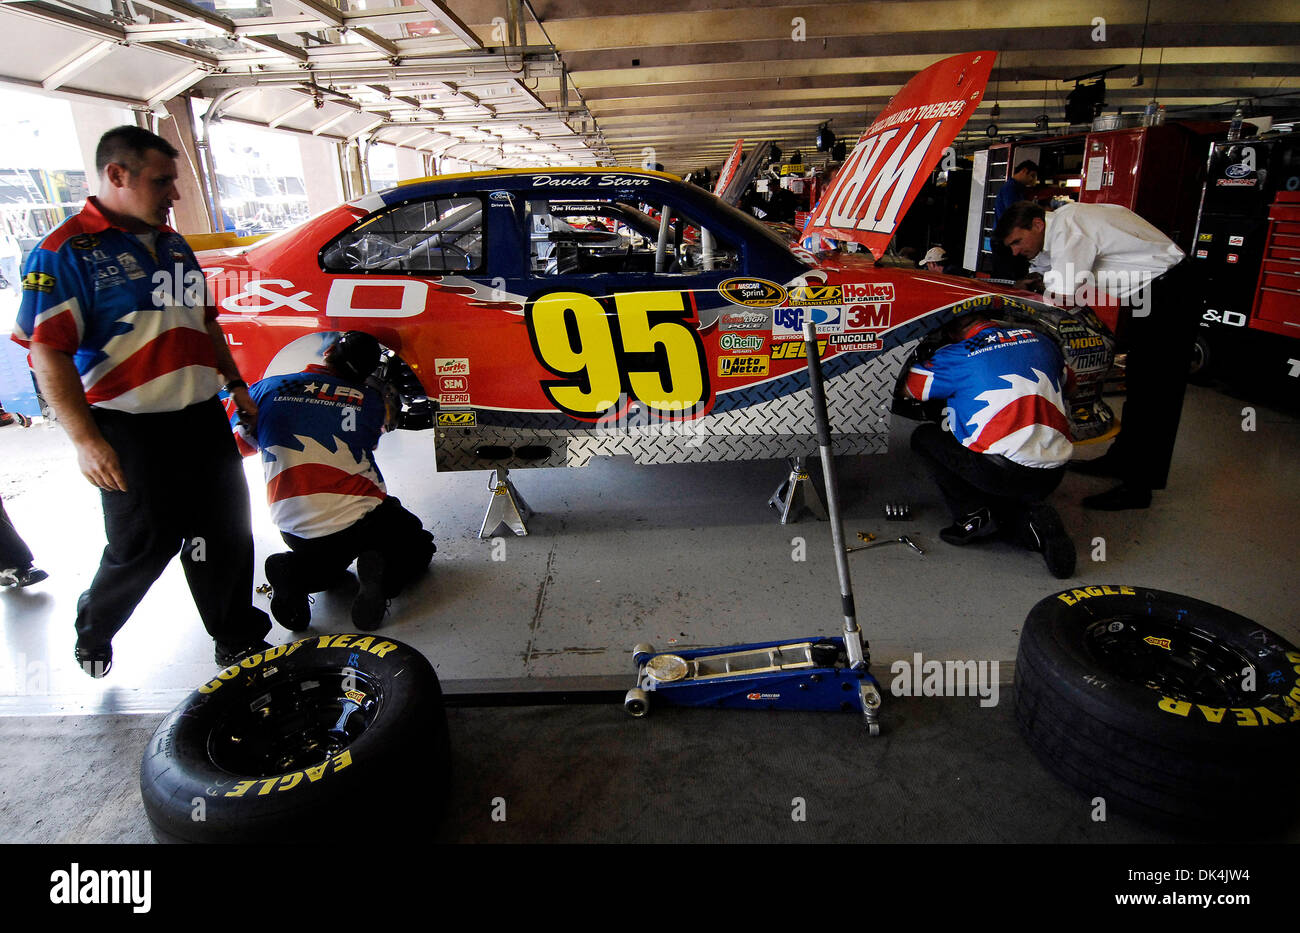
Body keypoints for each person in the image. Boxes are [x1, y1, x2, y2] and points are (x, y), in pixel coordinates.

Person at [11, 125, 271, 678]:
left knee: (225, 534)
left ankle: (236, 636)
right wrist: (85, 441)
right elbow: (47, 352)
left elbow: (205, 323)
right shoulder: (63, 252)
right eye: (161, 181)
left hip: (201, 419)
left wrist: (235, 385)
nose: (174, 194)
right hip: (127, 427)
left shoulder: (173, 244)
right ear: (117, 175)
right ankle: (95, 625)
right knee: (144, 544)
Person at [995, 200, 1190, 510]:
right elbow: (1046, 271)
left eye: (1018, 241)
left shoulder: (1070, 224)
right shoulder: (1056, 230)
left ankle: (1139, 488)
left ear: (1037, 224)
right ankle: (1121, 460)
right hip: (1149, 293)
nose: (1016, 251)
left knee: (1157, 390)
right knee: (1140, 381)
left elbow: (1062, 291)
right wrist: (1032, 282)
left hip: (1170, 290)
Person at [235, 332, 435, 631]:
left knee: (327, 569)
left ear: (328, 352)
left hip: (294, 526)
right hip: (361, 519)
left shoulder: (265, 389)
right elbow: (369, 441)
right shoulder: (368, 401)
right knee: (418, 546)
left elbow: (241, 446)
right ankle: (381, 576)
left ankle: (294, 572)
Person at [904, 314, 1076, 578]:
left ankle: (972, 515)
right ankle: (1033, 519)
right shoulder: (1041, 341)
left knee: (925, 438)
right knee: (1008, 488)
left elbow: (910, 390)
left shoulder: (956, 353)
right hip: (1056, 470)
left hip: (999, 472)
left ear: (950, 332)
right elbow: (1070, 385)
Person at [991, 160, 1038, 281]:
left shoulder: (1017, 188)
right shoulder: (1011, 188)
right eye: (1032, 176)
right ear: (1024, 171)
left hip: (1005, 239)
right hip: (1004, 240)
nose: (1032, 181)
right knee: (1006, 278)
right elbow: (1017, 212)